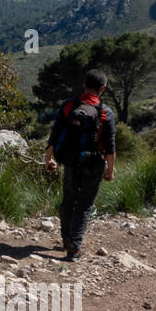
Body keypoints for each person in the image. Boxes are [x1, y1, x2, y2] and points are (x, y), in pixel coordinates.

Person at [44, 70, 116, 260]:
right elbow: (110, 146)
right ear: (102, 89)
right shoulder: (106, 113)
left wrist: (49, 159)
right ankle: (74, 245)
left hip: (70, 161)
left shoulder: (69, 105)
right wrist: (110, 169)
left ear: (84, 85)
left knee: (68, 200)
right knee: (84, 204)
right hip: (94, 163)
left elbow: (55, 133)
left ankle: (67, 238)